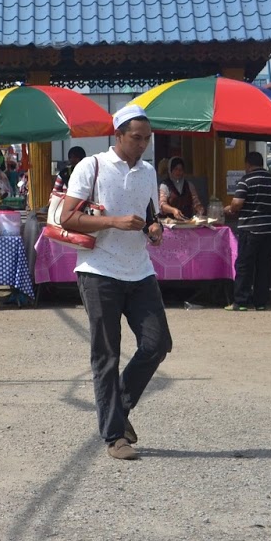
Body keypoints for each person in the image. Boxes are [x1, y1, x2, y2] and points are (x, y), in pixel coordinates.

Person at [59, 104, 169, 461]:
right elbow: (68, 217)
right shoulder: (90, 166)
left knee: (157, 343)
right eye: (136, 138)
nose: (142, 145)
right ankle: (115, 437)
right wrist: (113, 222)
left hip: (139, 269)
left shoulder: (149, 171)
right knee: (105, 354)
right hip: (98, 270)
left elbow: (151, 213)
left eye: (147, 139)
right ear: (118, 135)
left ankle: (118, 411)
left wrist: (154, 228)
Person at [224, 150, 271, 311]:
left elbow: (237, 203)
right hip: (270, 230)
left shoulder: (247, 180)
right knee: (264, 266)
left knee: (244, 265)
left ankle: (241, 302)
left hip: (250, 229)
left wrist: (230, 209)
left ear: (248, 164)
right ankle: (260, 302)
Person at [158, 156, 202, 221]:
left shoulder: (189, 185)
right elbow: (162, 205)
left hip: (187, 222)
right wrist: (173, 210)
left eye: (180, 170)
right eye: (175, 169)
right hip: (170, 223)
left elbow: (196, 202)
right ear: (170, 170)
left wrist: (199, 209)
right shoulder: (165, 185)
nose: (178, 172)